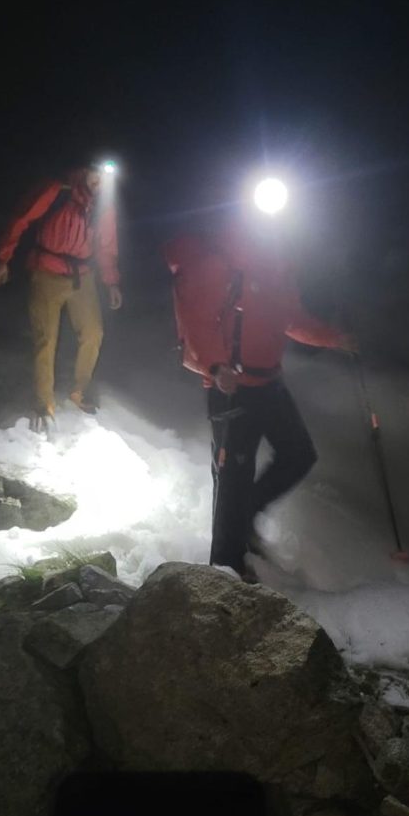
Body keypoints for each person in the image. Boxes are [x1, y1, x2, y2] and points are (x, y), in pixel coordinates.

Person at [165, 222, 354, 580]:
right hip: (230, 388)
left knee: (298, 453)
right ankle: (226, 571)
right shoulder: (220, 261)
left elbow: (291, 319)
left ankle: (245, 518)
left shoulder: (278, 265)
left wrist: (333, 338)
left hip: (269, 382)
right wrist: (216, 365)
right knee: (233, 477)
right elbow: (198, 321)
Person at [0, 164, 122, 429]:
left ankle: (80, 390)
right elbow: (21, 219)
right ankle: (43, 403)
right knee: (46, 340)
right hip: (46, 272)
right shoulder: (56, 191)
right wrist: (4, 259)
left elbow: (106, 247)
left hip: (81, 275)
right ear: (84, 171)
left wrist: (112, 283)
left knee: (93, 332)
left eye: (105, 176)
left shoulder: (102, 206)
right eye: (95, 174)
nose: (99, 181)